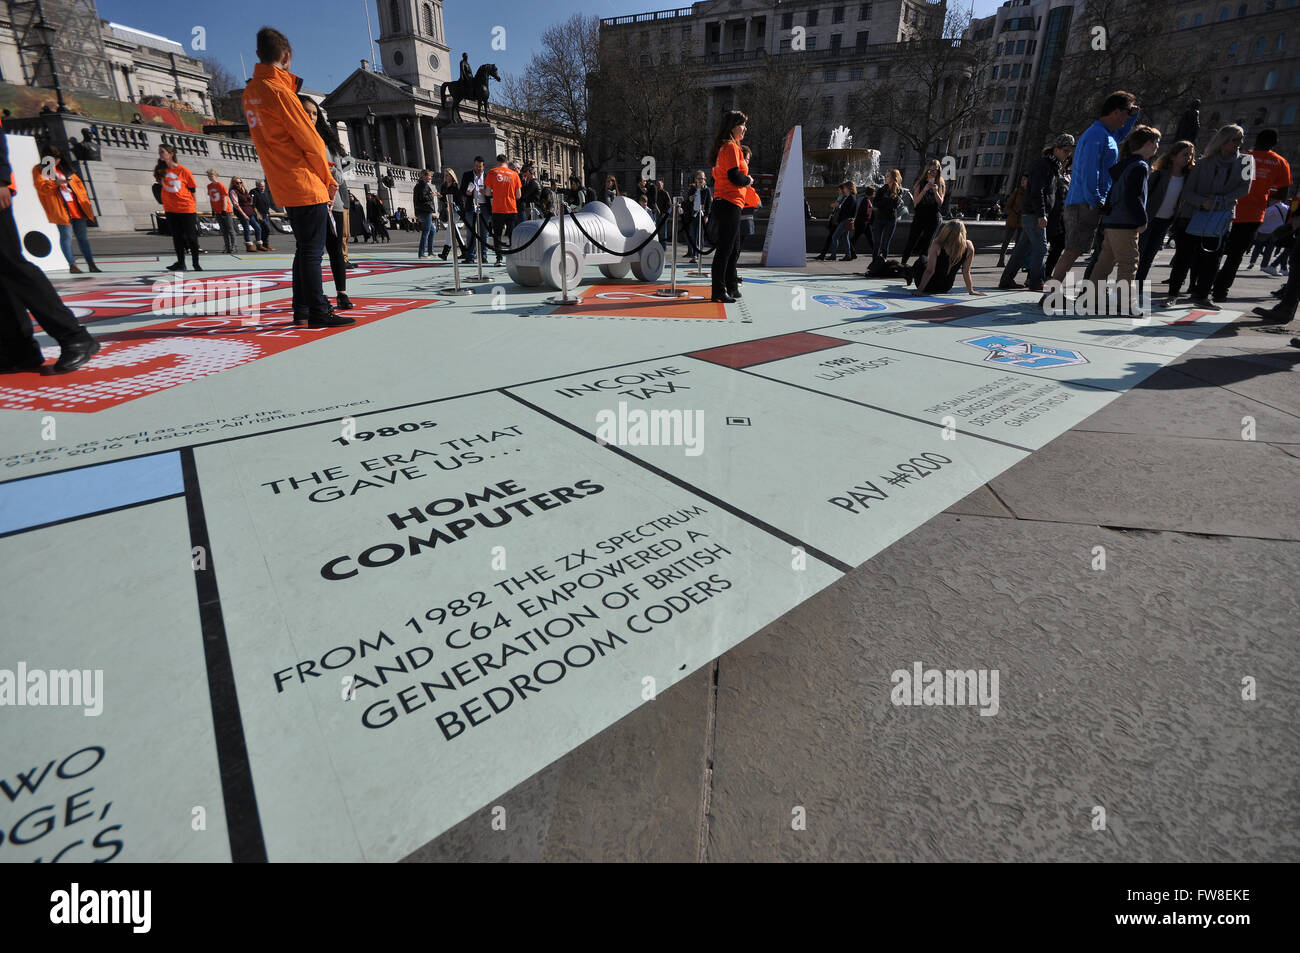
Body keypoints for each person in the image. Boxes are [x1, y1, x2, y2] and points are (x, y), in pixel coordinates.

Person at [243, 27, 351, 328]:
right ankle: (317, 309)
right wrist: (329, 181)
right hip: (305, 181)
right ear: (287, 57)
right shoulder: (280, 93)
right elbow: (312, 143)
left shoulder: (251, 94)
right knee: (313, 252)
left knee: (304, 248)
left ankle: (302, 309)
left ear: (258, 55)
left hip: (283, 182)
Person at [0, 116, 100, 374]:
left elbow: (65, 185)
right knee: (4, 271)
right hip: (62, 211)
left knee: (11, 264)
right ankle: (19, 350)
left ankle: (73, 335)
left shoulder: (57, 168)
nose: (56, 158)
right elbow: (46, 185)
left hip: (72, 211)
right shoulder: (48, 168)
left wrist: (1, 178)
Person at [1046, 90, 1141, 293]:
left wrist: (1134, 115)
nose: (1126, 118)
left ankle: (1072, 292)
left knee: (1088, 250)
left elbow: (1122, 135)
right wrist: (1096, 199)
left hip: (1089, 200)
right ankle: (1051, 294)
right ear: (1115, 112)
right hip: (1086, 202)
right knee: (1072, 251)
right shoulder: (1097, 135)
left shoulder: (1105, 134)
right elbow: (1090, 171)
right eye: (1126, 113)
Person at [1167, 124, 1251, 311]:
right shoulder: (1203, 163)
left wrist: (1220, 200)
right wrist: (1202, 202)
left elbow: (1245, 189)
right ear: (1223, 141)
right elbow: (1188, 192)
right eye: (1236, 139)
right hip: (1194, 215)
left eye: (1241, 139)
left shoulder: (1246, 162)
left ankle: (1203, 295)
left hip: (1220, 217)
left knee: (1212, 259)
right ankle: (1172, 293)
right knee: (1184, 257)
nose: (1240, 143)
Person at [1209, 128, 1292, 301]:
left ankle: (1203, 284)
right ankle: (1220, 291)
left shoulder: (1245, 157)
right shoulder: (1280, 162)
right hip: (1253, 215)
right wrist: (1264, 193)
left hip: (1229, 209)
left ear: (1256, 140)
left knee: (1215, 249)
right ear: (1275, 143)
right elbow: (1283, 194)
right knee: (1236, 255)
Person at [1087, 125, 1161, 316]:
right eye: (1156, 143)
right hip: (1125, 222)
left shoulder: (1125, 164)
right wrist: (1142, 219)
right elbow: (1133, 196)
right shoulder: (1140, 166)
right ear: (1147, 144)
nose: (1157, 147)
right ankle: (1124, 303)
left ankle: (1092, 298)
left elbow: (1118, 193)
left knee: (1104, 262)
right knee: (1129, 263)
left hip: (1112, 220)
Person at [999, 135, 1074, 292]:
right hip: (1034, 214)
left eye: (1070, 151)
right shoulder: (1044, 165)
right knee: (1040, 248)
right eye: (1066, 151)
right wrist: (1042, 214)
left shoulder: (1051, 166)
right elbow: (1037, 191)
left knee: (1022, 249)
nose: (1068, 154)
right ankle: (1035, 281)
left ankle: (1007, 279)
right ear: (1056, 149)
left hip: (1034, 213)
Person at [299, 95, 353, 310]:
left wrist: (328, 171)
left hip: (333, 201)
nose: (311, 116)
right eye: (306, 112)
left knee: (335, 249)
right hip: (308, 199)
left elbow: (339, 173)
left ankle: (342, 293)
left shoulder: (326, 142)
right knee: (310, 251)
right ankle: (312, 297)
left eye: (314, 113)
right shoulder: (294, 138)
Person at [33, 145, 100, 273]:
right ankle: (72, 265)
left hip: (76, 208)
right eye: (53, 158)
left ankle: (91, 264)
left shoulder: (66, 169)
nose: (56, 160)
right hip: (61, 209)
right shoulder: (40, 170)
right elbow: (41, 187)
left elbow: (79, 186)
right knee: (66, 237)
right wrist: (55, 184)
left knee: (83, 238)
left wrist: (83, 201)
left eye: (57, 158)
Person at [708, 109, 752, 303]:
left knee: (732, 248)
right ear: (733, 126)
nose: (745, 129)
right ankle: (719, 291)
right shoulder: (732, 148)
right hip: (729, 201)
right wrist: (748, 180)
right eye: (742, 125)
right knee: (726, 249)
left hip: (725, 201)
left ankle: (730, 286)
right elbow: (735, 176)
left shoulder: (723, 148)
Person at [1136, 139, 1194, 284]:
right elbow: (1144, 196)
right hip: (1149, 219)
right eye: (1185, 154)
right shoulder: (1160, 174)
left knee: (1150, 255)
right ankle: (1128, 284)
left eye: (1191, 155)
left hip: (1165, 221)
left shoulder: (1188, 178)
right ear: (1173, 156)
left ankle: (1139, 285)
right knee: (1139, 254)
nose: (1188, 158)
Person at [908, 220, 984, 296]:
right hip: (946, 287)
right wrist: (971, 290)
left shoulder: (937, 244)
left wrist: (919, 290)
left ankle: (908, 272)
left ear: (945, 231)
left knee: (922, 259)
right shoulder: (969, 246)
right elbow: (966, 271)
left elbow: (930, 270)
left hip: (928, 286)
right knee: (925, 261)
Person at [158, 143, 201, 271]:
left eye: (162, 152)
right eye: (159, 152)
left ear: (171, 154)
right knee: (177, 238)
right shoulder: (161, 171)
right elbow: (161, 188)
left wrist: (193, 207)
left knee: (191, 238)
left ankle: (196, 263)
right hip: (171, 210)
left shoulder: (183, 170)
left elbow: (193, 190)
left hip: (186, 209)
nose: (160, 154)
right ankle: (181, 263)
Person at [901, 160, 946, 269]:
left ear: (939, 170)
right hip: (920, 214)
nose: (932, 173)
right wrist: (924, 190)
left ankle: (921, 266)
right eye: (930, 170)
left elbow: (940, 202)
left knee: (927, 242)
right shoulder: (920, 182)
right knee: (912, 239)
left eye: (935, 170)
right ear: (927, 170)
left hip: (933, 216)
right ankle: (902, 264)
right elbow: (916, 201)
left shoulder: (940, 183)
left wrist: (935, 191)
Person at [486, 153, 520, 266]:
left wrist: (494, 192)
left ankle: (499, 258)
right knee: (512, 234)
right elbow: (518, 195)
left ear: (497, 161)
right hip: (511, 207)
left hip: (498, 208)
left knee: (498, 235)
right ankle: (514, 257)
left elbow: (487, 192)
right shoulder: (514, 174)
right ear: (506, 162)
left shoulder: (492, 172)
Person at [870, 168, 904, 268]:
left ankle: (883, 264)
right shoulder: (882, 189)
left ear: (894, 178)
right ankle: (874, 264)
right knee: (877, 243)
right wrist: (887, 201)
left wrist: (884, 202)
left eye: (888, 176)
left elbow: (894, 205)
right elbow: (875, 203)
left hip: (890, 219)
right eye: (886, 175)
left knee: (885, 243)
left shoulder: (899, 190)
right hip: (879, 219)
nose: (886, 178)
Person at [1250, 191, 1290, 274]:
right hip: (1277, 232)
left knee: (1258, 247)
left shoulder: (1269, 209)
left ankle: (1252, 261)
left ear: (1273, 200)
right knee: (1269, 250)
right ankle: (1264, 265)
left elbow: (1263, 220)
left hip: (1264, 231)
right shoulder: (1287, 208)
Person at [459, 155, 488, 262]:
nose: (477, 168)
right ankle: (470, 256)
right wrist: (467, 193)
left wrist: (487, 193)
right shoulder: (467, 175)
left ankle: (483, 256)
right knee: (470, 232)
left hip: (484, 206)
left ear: (483, 166)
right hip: (471, 207)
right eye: (476, 166)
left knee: (484, 232)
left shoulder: (487, 176)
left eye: (479, 166)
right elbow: (461, 190)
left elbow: (493, 192)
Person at [998, 175, 1027, 268]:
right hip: (1012, 220)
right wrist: (1013, 213)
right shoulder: (1017, 192)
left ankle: (1013, 263)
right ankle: (1001, 260)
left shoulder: (1030, 193)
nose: (1023, 181)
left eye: (1025, 180)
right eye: (1022, 179)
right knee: (1006, 241)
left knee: (1018, 244)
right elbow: (1007, 207)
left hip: (1022, 222)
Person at [205, 169, 236, 254]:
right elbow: (211, 199)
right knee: (223, 230)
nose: (210, 178)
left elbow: (225, 198)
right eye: (209, 176)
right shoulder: (209, 186)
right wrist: (213, 209)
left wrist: (224, 210)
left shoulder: (221, 185)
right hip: (217, 211)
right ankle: (227, 246)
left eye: (211, 176)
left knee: (230, 229)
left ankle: (233, 246)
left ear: (216, 176)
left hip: (226, 211)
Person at [229, 176, 262, 252]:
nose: (239, 184)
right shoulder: (233, 191)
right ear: (233, 183)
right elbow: (236, 205)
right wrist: (244, 215)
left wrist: (251, 199)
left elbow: (249, 202)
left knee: (258, 228)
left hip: (249, 211)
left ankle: (259, 244)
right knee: (247, 229)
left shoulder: (244, 190)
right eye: (237, 183)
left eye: (240, 182)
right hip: (242, 212)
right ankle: (249, 246)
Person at [814, 185, 845, 261]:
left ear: (842, 190)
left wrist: (833, 205)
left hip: (837, 221)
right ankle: (850, 253)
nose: (838, 191)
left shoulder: (842, 197)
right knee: (841, 238)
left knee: (832, 238)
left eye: (839, 190)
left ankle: (825, 254)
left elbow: (837, 205)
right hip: (836, 220)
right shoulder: (841, 197)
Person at [685, 170, 710, 262]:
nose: (700, 180)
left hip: (702, 215)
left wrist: (707, 215)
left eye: (702, 178)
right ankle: (694, 255)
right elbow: (687, 203)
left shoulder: (706, 190)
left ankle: (698, 254)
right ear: (696, 179)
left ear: (704, 179)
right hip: (693, 215)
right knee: (692, 235)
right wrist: (690, 199)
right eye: (699, 178)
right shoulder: (692, 189)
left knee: (700, 235)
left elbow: (708, 204)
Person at [829, 181, 858, 261]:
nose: (843, 189)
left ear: (849, 188)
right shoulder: (849, 197)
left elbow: (849, 210)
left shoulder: (851, 197)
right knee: (845, 238)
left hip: (845, 220)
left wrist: (840, 207)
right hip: (846, 220)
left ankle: (833, 255)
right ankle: (848, 255)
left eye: (844, 187)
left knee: (835, 237)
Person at [414, 169, 437, 258]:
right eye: (429, 176)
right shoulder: (423, 185)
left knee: (432, 231)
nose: (430, 177)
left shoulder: (419, 185)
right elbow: (423, 197)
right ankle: (422, 253)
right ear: (424, 176)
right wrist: (430, 195)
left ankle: (430, 251)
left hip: (421, 211)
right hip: (425, 211)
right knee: (426, 232)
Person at [249, 179, 275, 251]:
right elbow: (252, 205)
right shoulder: (253, 192)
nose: (262, 188)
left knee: (266, 230)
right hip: (258, 215)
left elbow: (266, 203)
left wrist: (268, 211)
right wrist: (257, 214)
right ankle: (260, 244)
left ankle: (265, 244)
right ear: (257, 186)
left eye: (263, 186)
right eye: (261, 186)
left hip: (265, 214)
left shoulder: (265, 193)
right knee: (266, 229)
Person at [851, 184, 876, 259]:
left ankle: (876, 253)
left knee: (870, 239)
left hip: (865, 223)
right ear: (872, 193)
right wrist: (873, 209)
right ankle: (852, 253)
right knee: (854, 239)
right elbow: (865, 211)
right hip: (862, 223)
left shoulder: (867, 200)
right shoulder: (865, 200)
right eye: (874, 192)